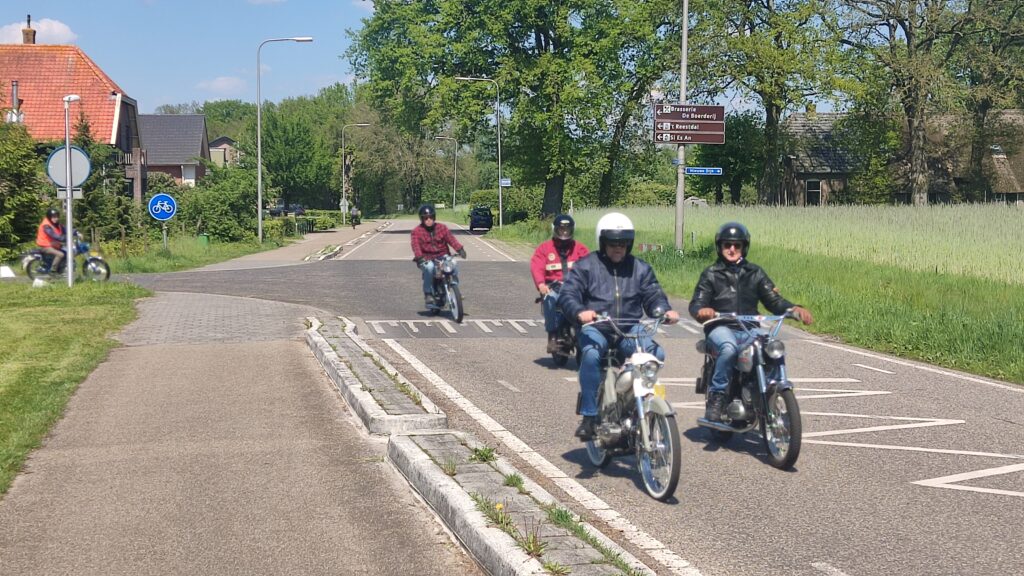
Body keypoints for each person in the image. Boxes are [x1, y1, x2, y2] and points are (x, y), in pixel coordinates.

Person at [558, 212, 680, 440]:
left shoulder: (640, 269)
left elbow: (653, 294)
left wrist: (663, 311)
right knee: (592, 355)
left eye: (623, 244)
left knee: (655, 352)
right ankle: (590, 415)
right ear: (602, 243)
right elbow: (568, 294)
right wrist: (579, 312)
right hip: (598, 327)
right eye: (613, 244)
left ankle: (629, 399)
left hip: (628, 328)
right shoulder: (587, 266)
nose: (618, 248)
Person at [688, 222, 813, 422]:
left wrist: (793, 309)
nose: (732, 249)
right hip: (720, 327)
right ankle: (717, 397)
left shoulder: (755, 273)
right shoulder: (711, 274)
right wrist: (702, 311)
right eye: (727, 245)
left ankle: (769, 388)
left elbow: (773, 301)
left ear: (744, 247)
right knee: (728, 348)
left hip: (749, 329)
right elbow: (697, 302)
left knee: (772, 347)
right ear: (720, 247)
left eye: (737, 245)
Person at [530, 214, 590, 353]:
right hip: (554, 287)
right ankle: (552, 335)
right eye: (561, 229)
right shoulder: (544, 249)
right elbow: (536, 266)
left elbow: (590, 266)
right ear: (555, 230)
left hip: (575, 289)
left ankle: (590, 335)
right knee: (550, 299)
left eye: (567, 230)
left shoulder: (580, 248)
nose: (564, 232)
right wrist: (541, 285)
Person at [410, 204, 466, 309]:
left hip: (442, 255)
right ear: (422, 219)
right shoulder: (416, 232)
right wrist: (419, 257)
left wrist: (460, 249)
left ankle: (454, 287)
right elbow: (415, 246)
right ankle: (428, 294)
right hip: (426, 258)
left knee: (453, 263)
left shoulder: (442, 228)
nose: (429, 220)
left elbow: (451, 239)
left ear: (434, 217)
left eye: (431, 217)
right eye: (426, 218)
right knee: (430, 268)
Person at [36, 208, 66, 274]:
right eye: (54, 217)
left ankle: (60, 268)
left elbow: (66, 229)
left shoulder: (56, 224)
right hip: (44, 246)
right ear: (49, 217)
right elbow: (53, 235)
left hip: (51, 245)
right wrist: (64, 238)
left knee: (65, 251)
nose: (56, 218)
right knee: (60, 254)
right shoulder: (46, 225)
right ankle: (53, 271)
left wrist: (76, 232)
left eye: (57, 217)